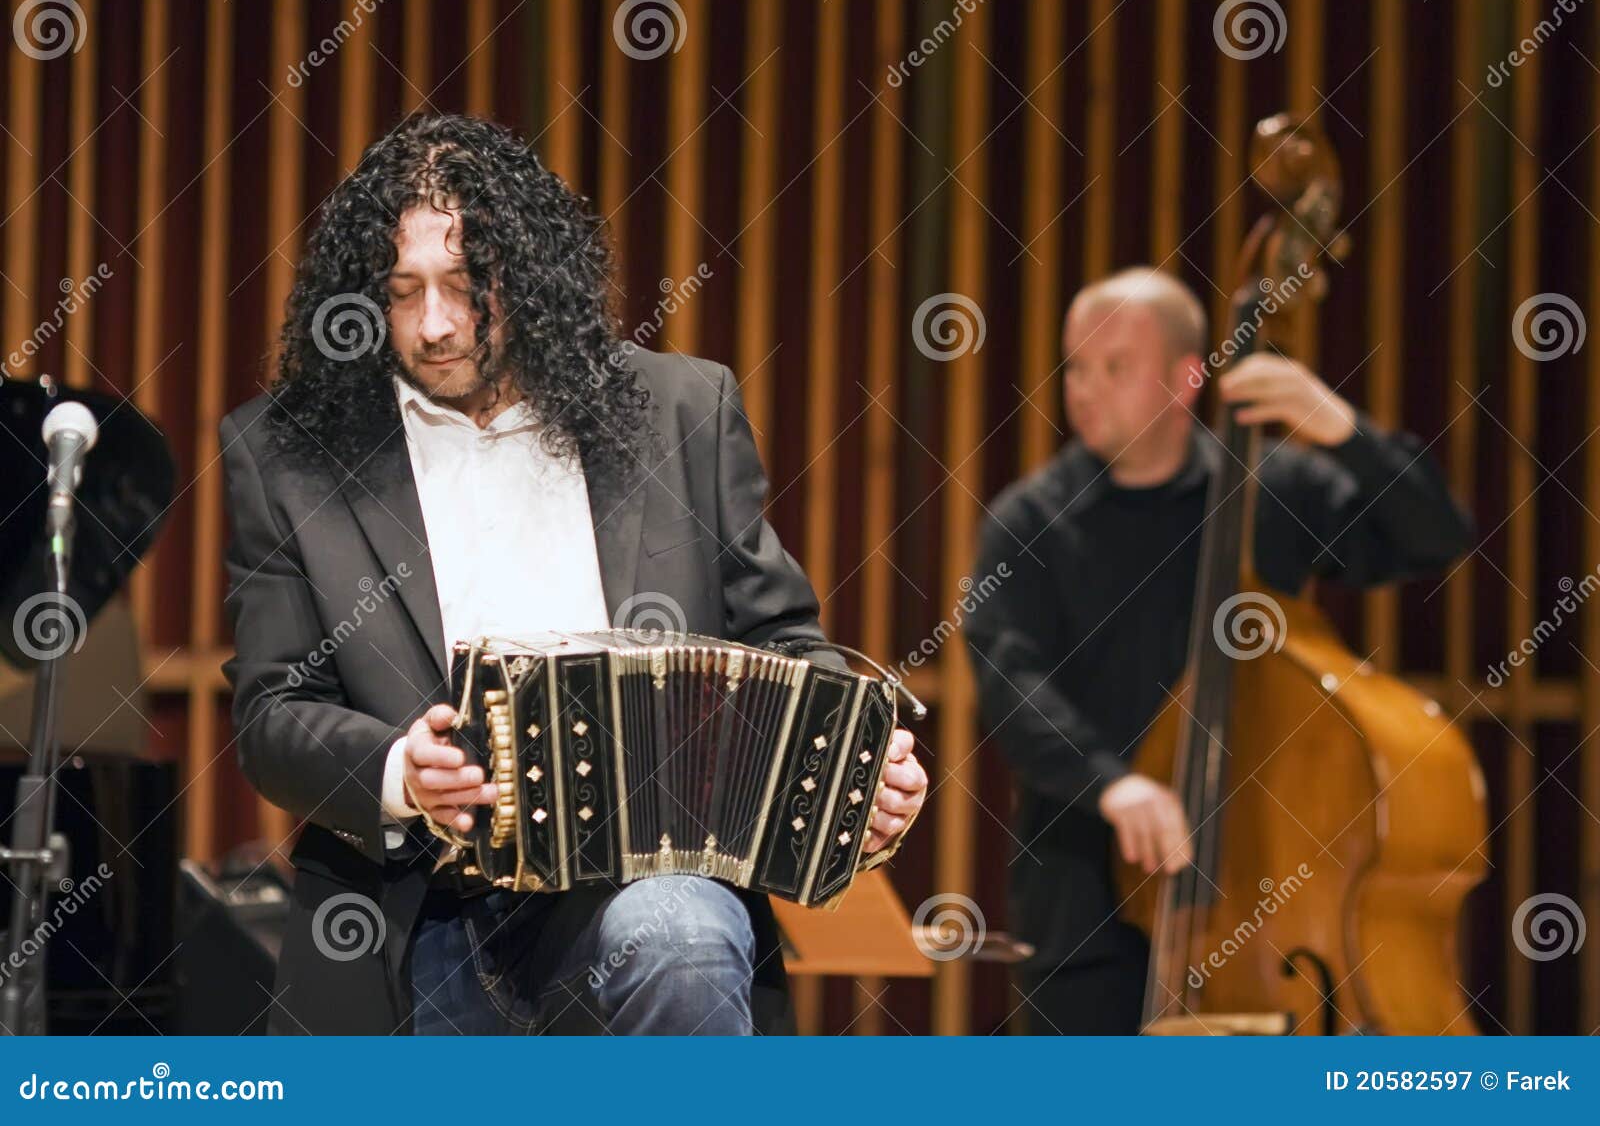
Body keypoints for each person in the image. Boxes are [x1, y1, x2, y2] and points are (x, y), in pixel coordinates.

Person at [221, 113, 927, 1036]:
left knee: (681, 934)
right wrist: (401, 769)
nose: (433, 325)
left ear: (531, 277)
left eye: (466, 288)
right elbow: (272, 712)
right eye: (402, 294)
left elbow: (780, 641)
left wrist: (849, 766)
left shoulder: (681, 408)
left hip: (642, 889)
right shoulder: (285, 451)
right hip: (411, 912)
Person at [964, 266, 1472, 1035]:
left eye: (1114, 367)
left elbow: (1436, 536)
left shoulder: (1271, 490)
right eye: (1074, 366)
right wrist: (1114, 785)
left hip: (1264, 903)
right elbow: (1010, 678)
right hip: (1082, 906)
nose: (1085, 388)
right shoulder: (1029, 518)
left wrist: (1343, 430)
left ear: (1186, 378)